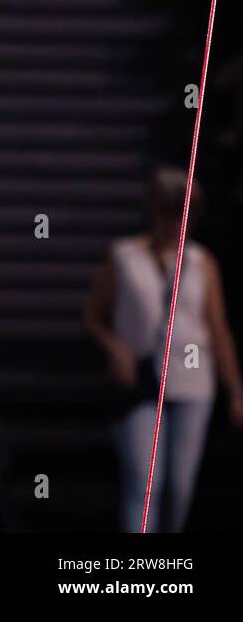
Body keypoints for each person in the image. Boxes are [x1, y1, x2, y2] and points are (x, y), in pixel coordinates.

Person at [83, 167, 243, 532]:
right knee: (144, 479)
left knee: (180, 484)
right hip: (142, 379)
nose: (173, 221)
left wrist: (234, 388)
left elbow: (217, 329)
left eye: (181, 212)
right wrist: (114, 347)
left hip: (192, 380)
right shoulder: (124, 255)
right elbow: (94, 314)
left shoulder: (202, 262)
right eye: (167, 210)